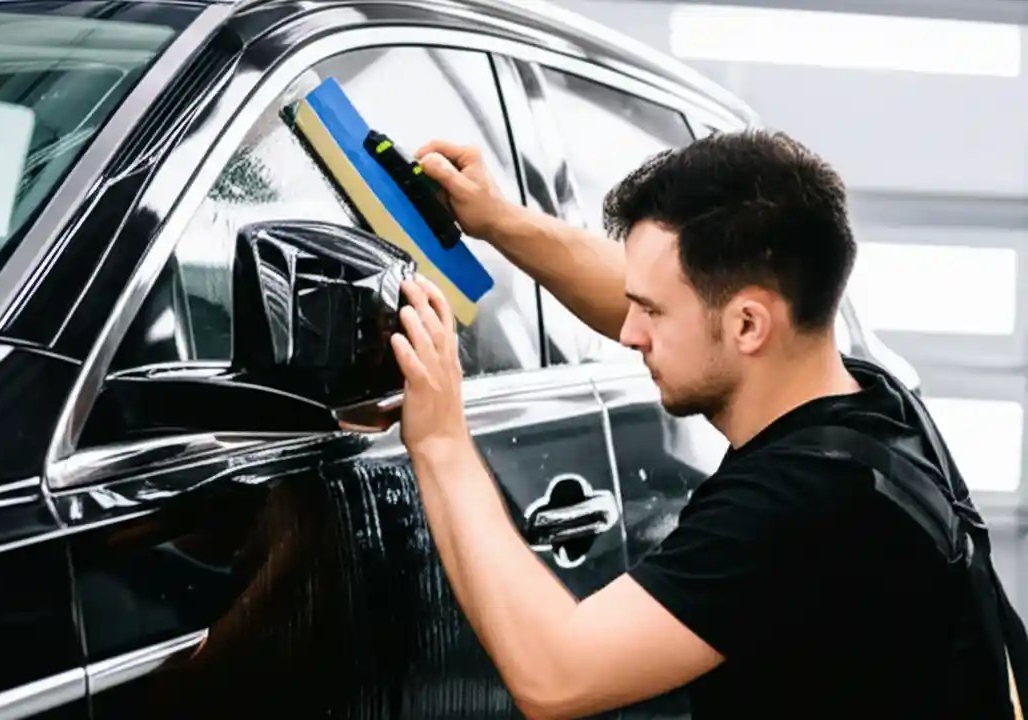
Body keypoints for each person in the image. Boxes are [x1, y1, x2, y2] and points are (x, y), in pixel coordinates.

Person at [386, 128, 1013, 719]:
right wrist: (501, 221)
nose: (629, 333)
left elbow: (554, 675)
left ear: (748, 326)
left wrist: (441, 438)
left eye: (650, 312)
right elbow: (679, 305)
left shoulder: (804, 504)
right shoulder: (873, 401)